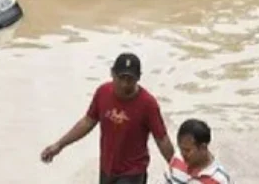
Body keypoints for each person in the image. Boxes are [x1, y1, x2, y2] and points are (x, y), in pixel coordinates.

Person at [41, 53, 175, 184]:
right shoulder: (102, 93)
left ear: (139, 78)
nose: (124, 84)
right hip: (107, 169)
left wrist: (179, 169)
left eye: (130, 80)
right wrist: (59, 145)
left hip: (133, 173)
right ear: (112, 73)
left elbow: (161, 139)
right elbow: (88, 121)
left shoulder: (148, 104)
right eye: (120, 78)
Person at [164, 119, 231, 184]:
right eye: (180, 149)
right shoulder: (177, 159)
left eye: (187, 150)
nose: (182, 154)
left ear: (203, 147)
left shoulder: (219, 179)